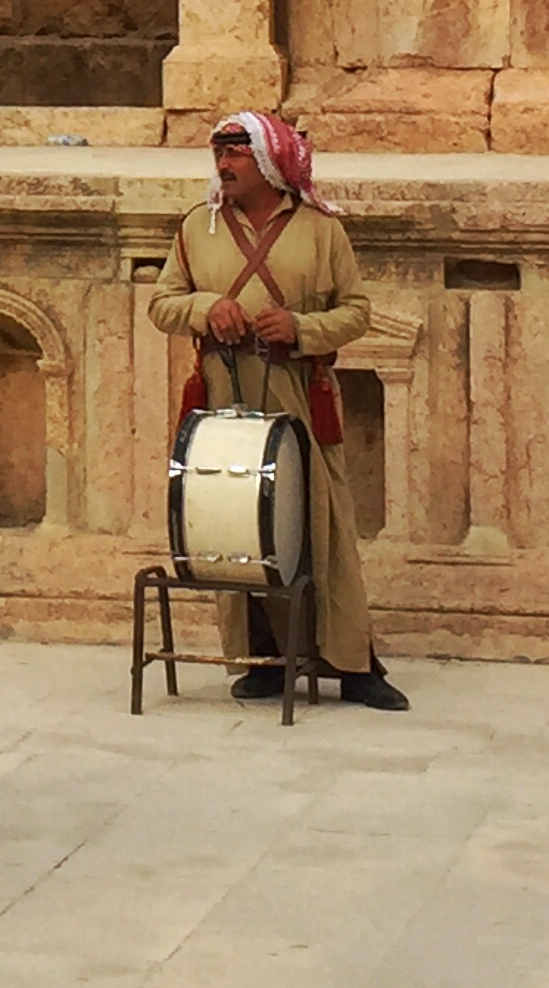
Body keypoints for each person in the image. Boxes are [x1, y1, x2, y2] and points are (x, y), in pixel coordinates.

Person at [146, 112, 409, 711]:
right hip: (222, 391)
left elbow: (357, 311)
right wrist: (207, 307)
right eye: (219, 155)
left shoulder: (321, 232)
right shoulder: (196, 228)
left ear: (267, 162)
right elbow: (163, 303)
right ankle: (263, 658)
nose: (223, 166)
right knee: (234, 519)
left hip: (298, 389)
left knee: (322, 521)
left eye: (236, 156)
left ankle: (353, 663)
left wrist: (301, 328)